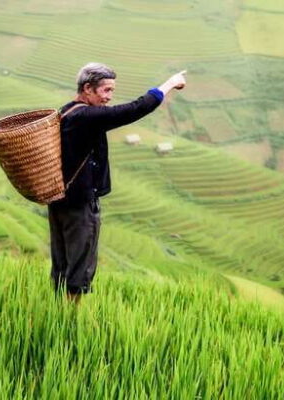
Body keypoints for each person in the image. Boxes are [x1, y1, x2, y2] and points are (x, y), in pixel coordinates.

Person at [47, 63, 186, 303]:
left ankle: (56, 311)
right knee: (80, 264)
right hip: (80, 203)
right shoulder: (86, 116)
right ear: (88, 89)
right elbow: (134, 109)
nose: (110, 97)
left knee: (62, 262)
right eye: (106, 91)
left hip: (60, 199)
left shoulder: (68, 111)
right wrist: (170, 84)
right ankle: (67, 320)